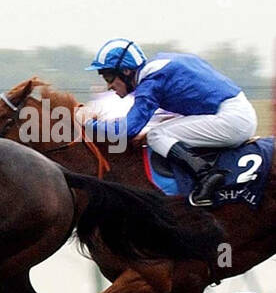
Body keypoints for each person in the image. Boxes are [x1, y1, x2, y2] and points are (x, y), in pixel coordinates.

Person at [84, 38, 257, 207]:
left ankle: (207, 175)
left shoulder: (152, 81)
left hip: (232, 120)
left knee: (157, 135)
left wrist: (85, 126)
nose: (109, 86)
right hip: (237, 112)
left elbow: (127, 130)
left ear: (126, 71)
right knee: (163, 128)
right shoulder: (162, 63)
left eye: (108, 77)